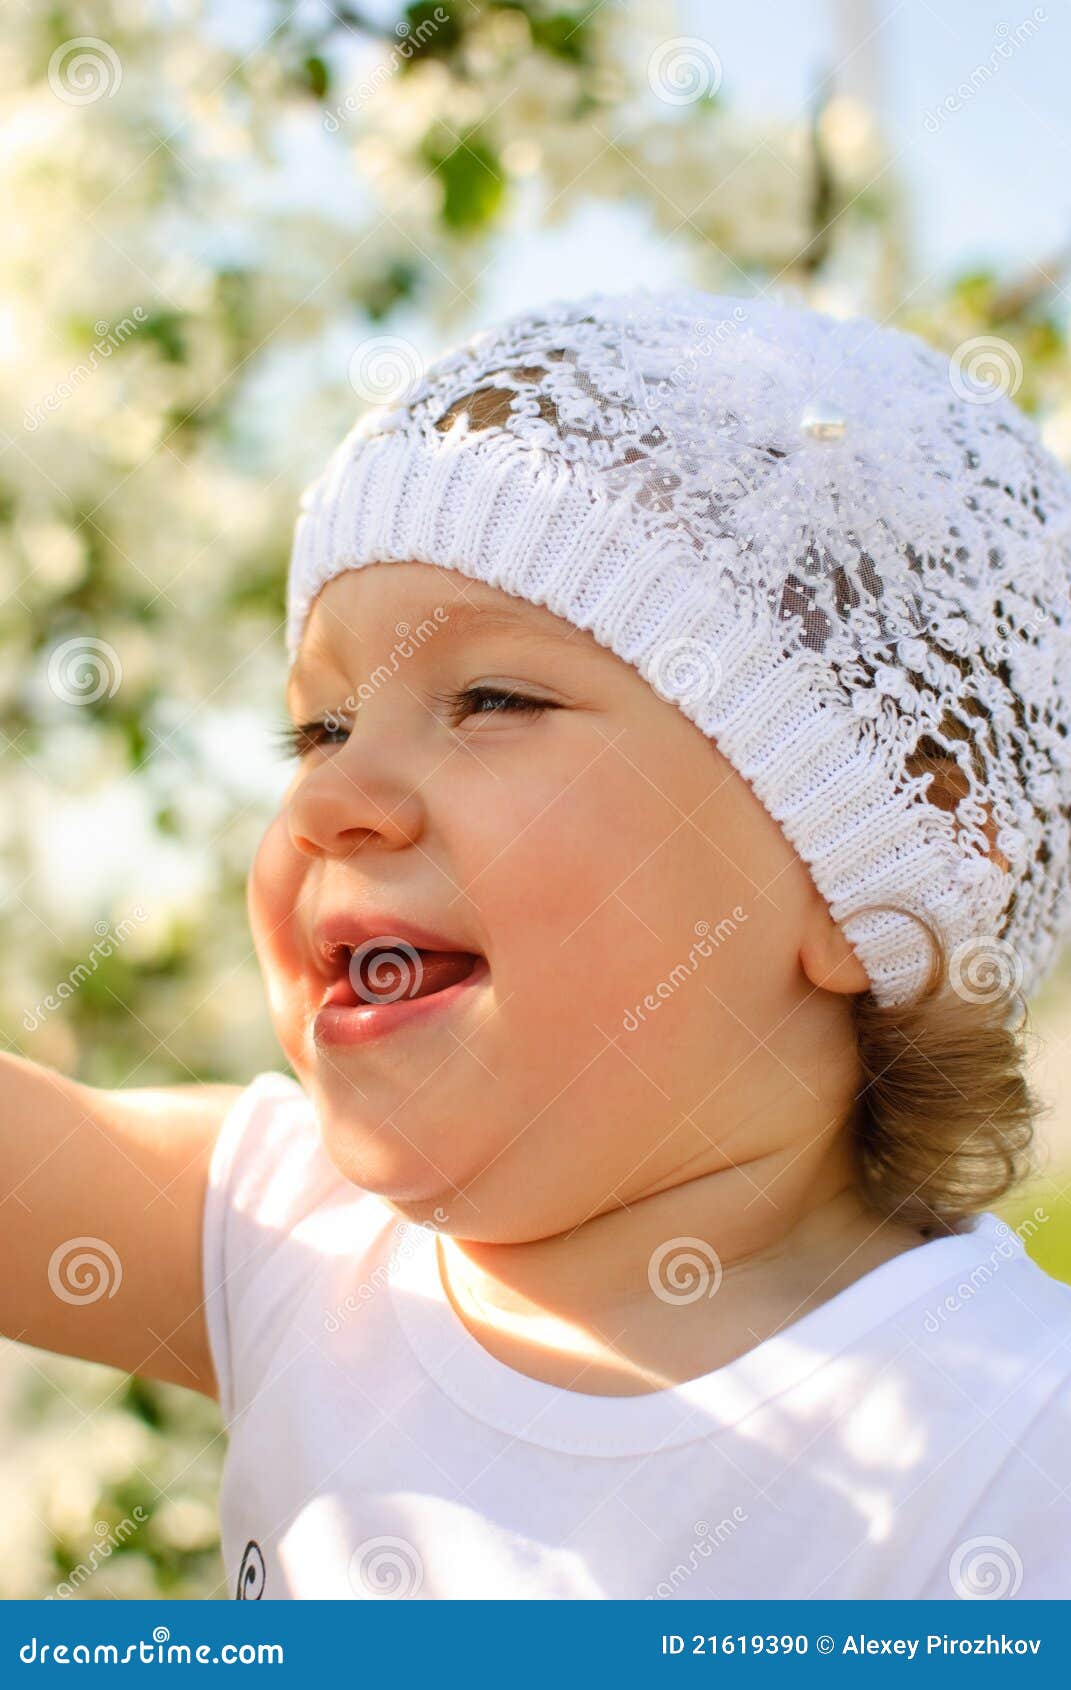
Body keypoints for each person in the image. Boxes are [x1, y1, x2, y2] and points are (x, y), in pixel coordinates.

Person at [5, 285, 1071, 1601]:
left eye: (493, 698)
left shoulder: (1016, 1448)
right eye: (322, 729)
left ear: (894, 851)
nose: (332, 802)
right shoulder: (296, 1243)